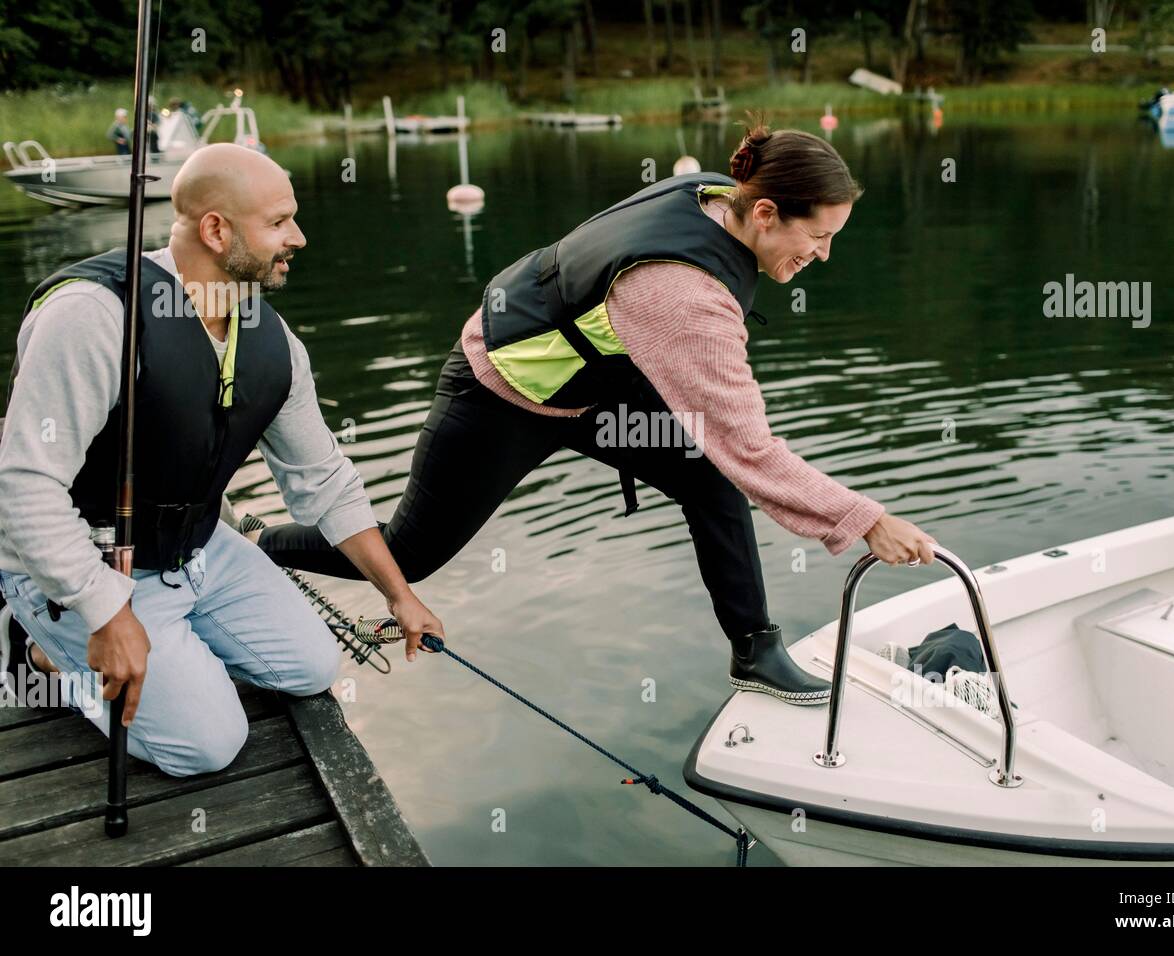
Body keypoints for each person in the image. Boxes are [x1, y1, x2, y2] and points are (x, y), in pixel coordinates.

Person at [249, 115, 937, 707]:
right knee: (411, 552)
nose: (822, 254)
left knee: (707, 469)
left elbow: (729, 451)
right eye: (817, 237)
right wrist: (866, 519)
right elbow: (754, 449)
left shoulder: (718, 195)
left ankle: (754, 650)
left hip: (594, 388)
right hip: (501, 392)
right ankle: (261, 546)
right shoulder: (682, 297)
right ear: (763, 214)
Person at [0, 143, 444, 777]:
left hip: (198, 549)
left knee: (311, 668)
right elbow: (25, 487)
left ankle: (153, 641)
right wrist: (105, 611)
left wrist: (399, 594)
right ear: (216, 229)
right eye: (279, 222)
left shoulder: (272, 340)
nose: (299, 237)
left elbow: (325, 482)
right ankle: (32, 648)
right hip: (82, 564)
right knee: (206, 745)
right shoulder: (92, 317)